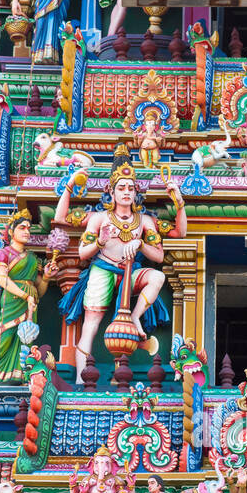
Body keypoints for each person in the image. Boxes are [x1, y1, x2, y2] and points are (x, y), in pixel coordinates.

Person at [56, 146, 185, 382]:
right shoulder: (99, 218)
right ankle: (80, 381)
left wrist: (179, 203)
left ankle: (135, 317)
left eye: (131, 188)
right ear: (111, 191)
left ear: (136, 192)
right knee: (91, 323)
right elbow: (65, 225)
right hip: (103, 268)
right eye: (121, 188)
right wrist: (70, 185)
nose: (126, 192)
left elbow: (176, 236)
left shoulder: (145, 221)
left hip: (131, 271)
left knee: (158, 277)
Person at [0, 209, 58, 386]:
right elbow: (2, 279)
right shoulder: (3, 254)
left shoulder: (33, 259)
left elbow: (39, 290)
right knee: (7, 335)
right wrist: (25, 295)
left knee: (26, 339)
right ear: (11, 231)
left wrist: (46, 277)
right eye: (22, 228)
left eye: (29, 229)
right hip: (13, 299)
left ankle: (22, 375)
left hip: (31, 303)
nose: (27, 232)